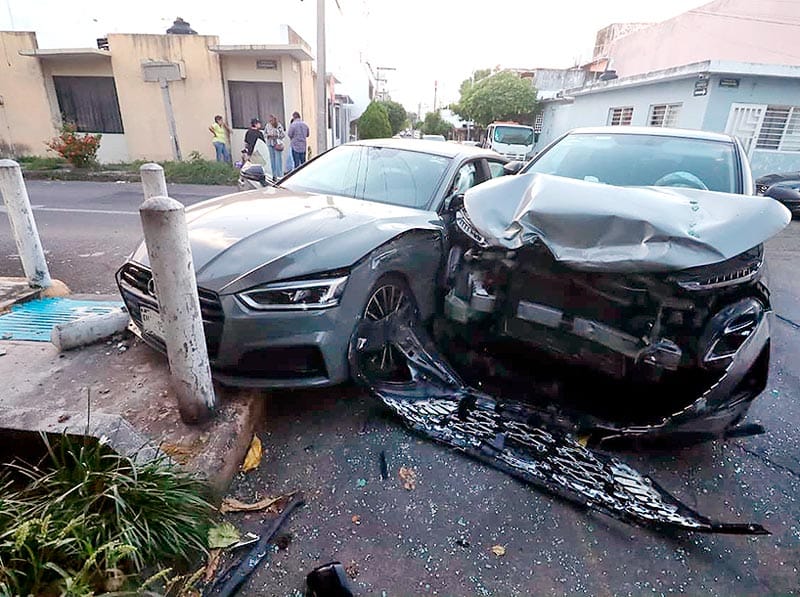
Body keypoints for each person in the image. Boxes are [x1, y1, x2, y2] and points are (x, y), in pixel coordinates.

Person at [265, 114, 286, 179]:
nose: (270, 122)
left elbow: (283, 134)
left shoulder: (279, 125)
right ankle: (273, 175)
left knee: (278, 160)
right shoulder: (267, 125)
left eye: (271, 120)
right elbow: (265, 134)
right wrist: (268, 135)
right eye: (269, 120)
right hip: (270, 144)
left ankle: (279, 175)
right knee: (272, 160)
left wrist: (276, 135)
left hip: (277, 144)